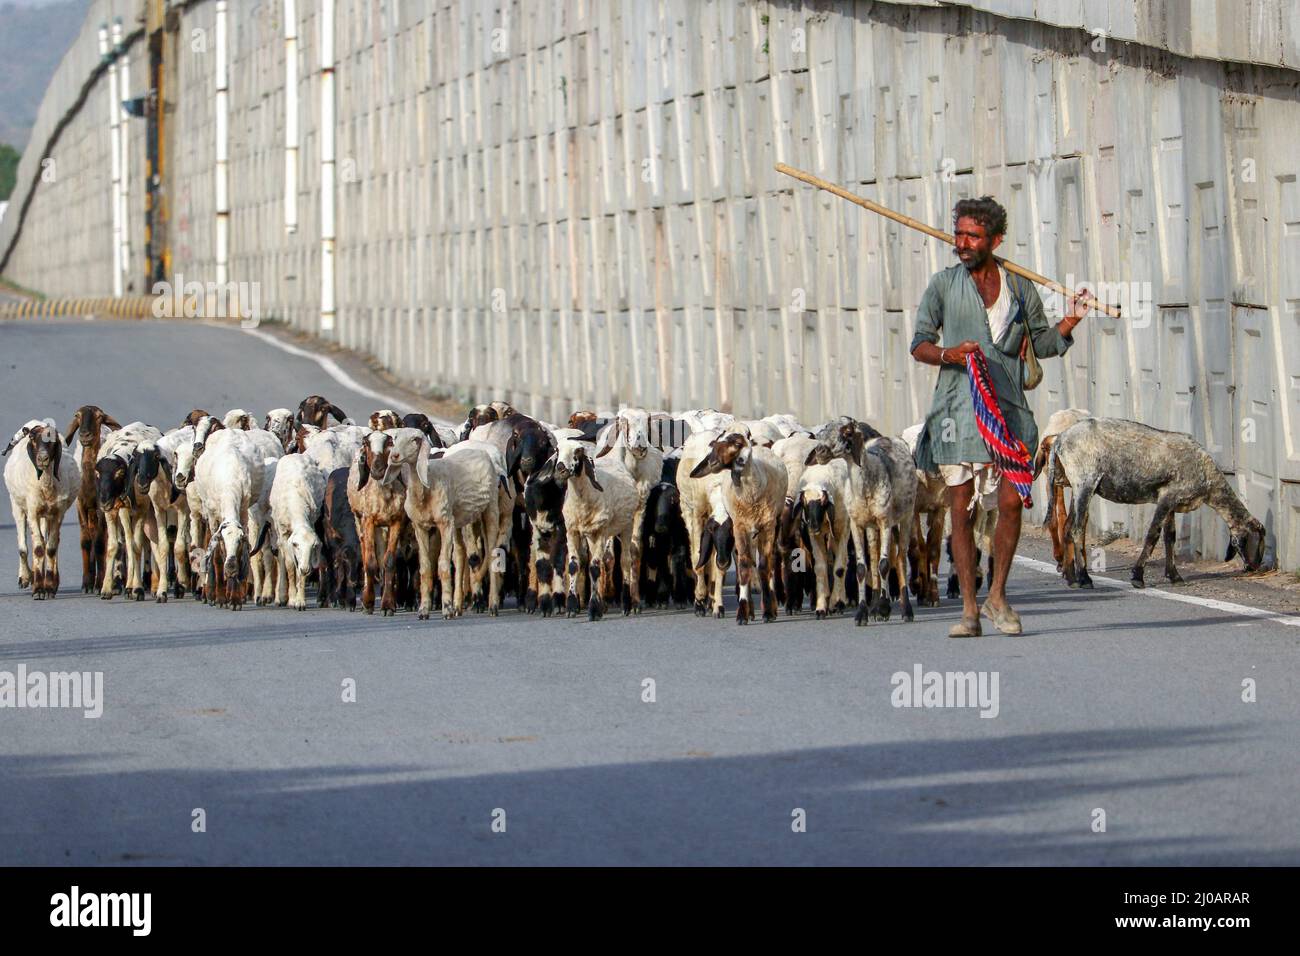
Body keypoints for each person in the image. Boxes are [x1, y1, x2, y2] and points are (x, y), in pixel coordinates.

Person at [909, 197, 1091, 637]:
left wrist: (1071, 320)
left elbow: (1043, 345)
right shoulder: (944, 285)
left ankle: (998, 595)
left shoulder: (1018, 288)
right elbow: (919, 344)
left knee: (1011, 502)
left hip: (1008, 412)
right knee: (960, 509)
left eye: (973, 236)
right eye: (959, 234)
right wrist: (950, 353)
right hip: (958, 410)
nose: (963, 243)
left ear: (996, 239)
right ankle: (970, 610)